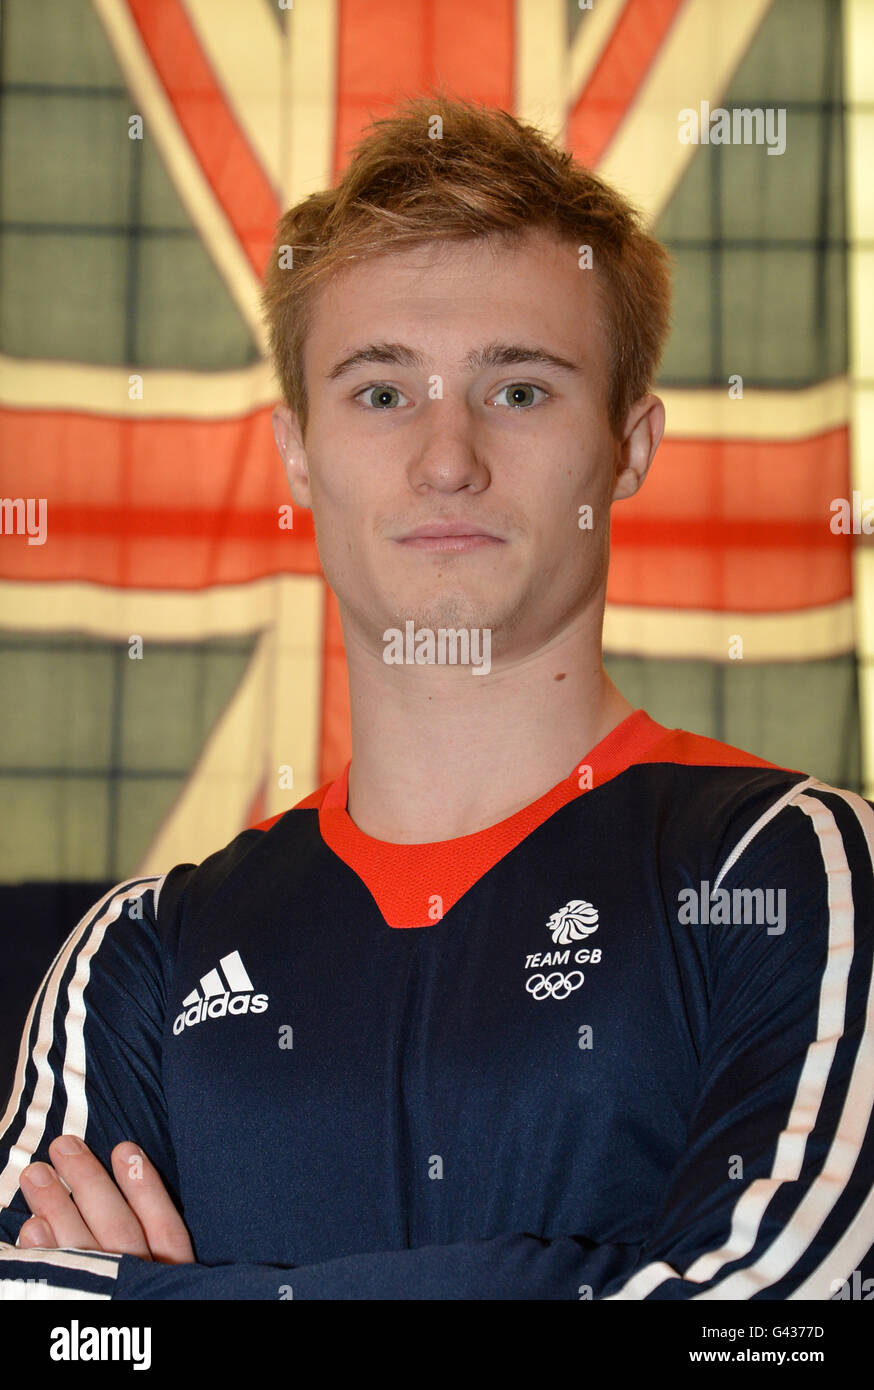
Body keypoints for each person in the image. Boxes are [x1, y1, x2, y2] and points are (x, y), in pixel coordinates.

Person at [1, 92, 872, 1301]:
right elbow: (38, 1310)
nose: (447, 456)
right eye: (379, 391)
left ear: (629, 442)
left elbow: (767, 1317)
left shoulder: (793, 875)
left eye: (518, 389)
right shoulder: (137, 957)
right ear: (297, 452)